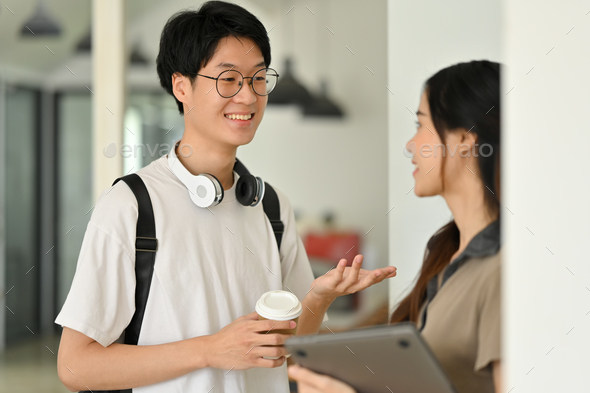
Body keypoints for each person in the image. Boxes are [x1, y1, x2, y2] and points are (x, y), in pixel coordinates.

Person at [54, 2, 397, 392]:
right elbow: (75, 367)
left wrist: (316, 299)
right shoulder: (131, 205)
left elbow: (294, 345)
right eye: (228, 79)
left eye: (257, 79)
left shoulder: (271, 207)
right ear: (182, 86)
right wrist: (211, 350)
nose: (248, 98)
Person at [288, 60, 502, 393]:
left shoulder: (504, 270)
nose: (410, 146)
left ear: (463, 139)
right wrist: (317, 300)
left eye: (422, 126)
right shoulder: (448, 256)